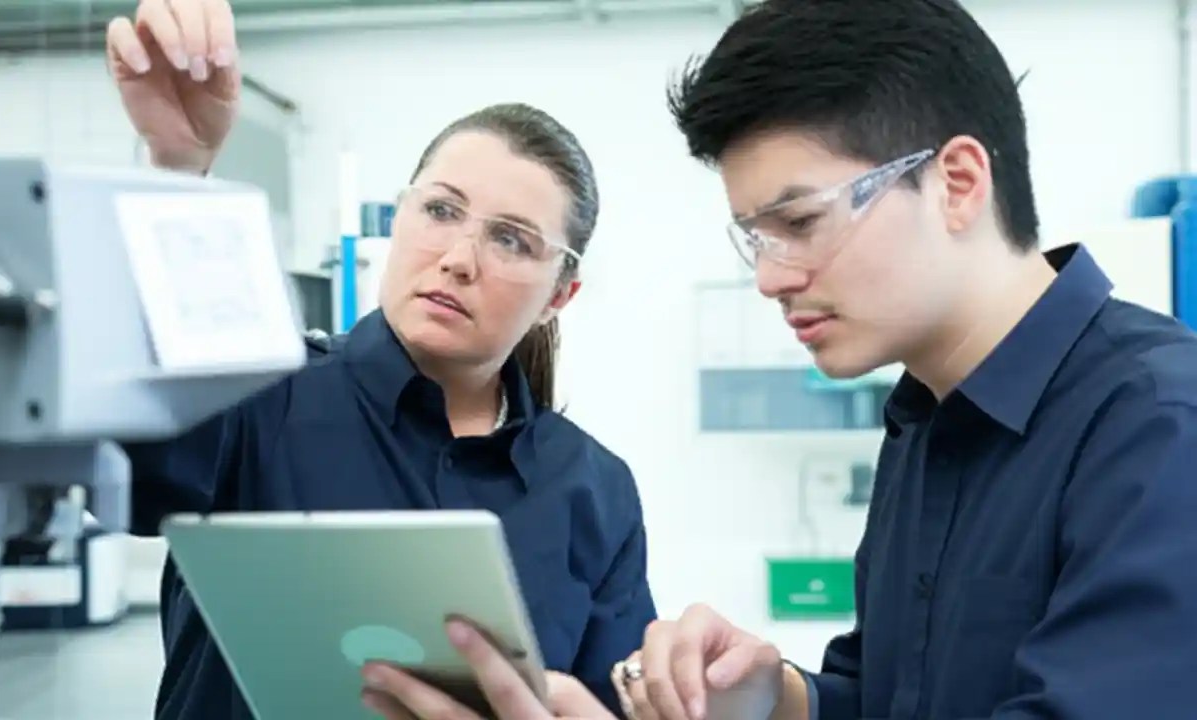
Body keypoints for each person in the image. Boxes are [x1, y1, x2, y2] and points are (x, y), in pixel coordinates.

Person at [361, 0, 1197, 719]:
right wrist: (776, 698)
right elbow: (886, 697)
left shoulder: (1160, 427)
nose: (769, 278)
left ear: (957, 182)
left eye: (799, 222)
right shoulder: (926, 423)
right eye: (756, 237)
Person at [103, 1, 657, 718]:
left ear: (560, 294)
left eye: (512, 240)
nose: (458, 258)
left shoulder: (595, 492)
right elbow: (129, 481)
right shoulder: (259, 396)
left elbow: (608, 705)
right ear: (399, 215)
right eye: (441, 210)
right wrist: (179, 175)